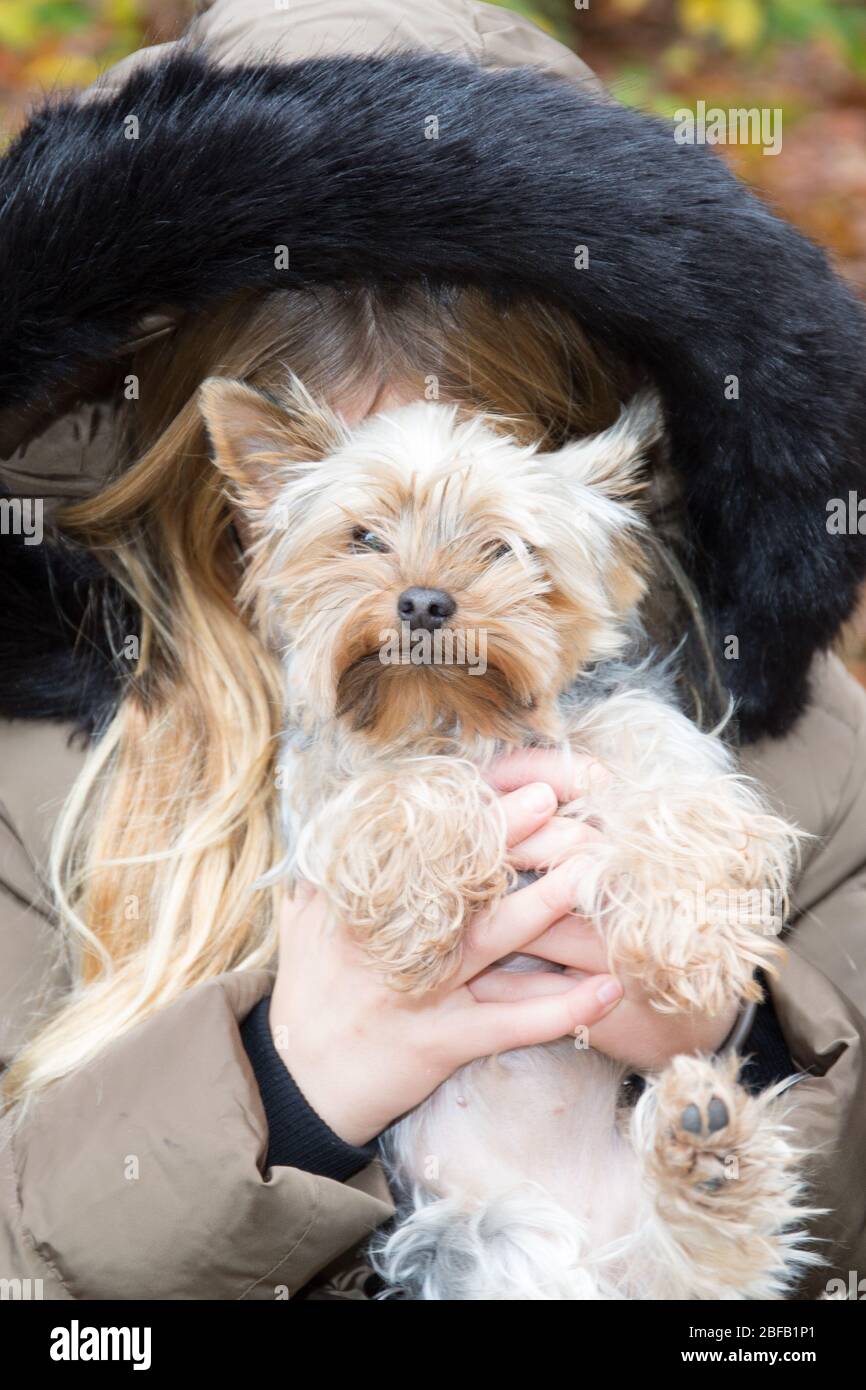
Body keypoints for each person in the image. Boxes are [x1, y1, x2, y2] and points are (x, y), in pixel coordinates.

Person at [0, 0, 864, 1301]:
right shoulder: (35, 782)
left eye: (489, 542)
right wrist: (291, 1081)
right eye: (363, 533)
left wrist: (728, 1032)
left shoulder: (797, 746)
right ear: (239, 494)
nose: (421, 597)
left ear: (596, 513)